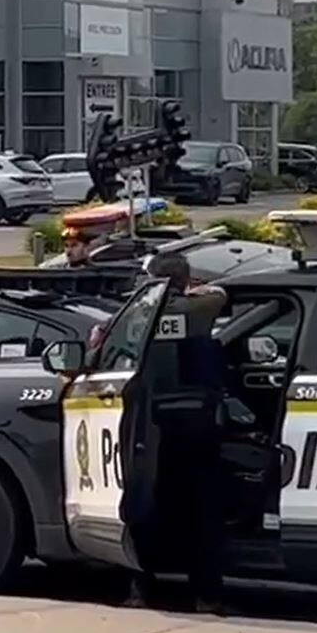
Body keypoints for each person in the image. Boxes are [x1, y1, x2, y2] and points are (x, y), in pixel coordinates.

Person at [120, 251, 229, 613]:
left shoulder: (139, 317)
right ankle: (207, 597)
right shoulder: (197, 310)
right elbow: (221, 295)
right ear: (184, 280)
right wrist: (189, 289)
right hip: (195, 425)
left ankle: (139, 589)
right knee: (203, 512)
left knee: (143, 506)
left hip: (148, 426)